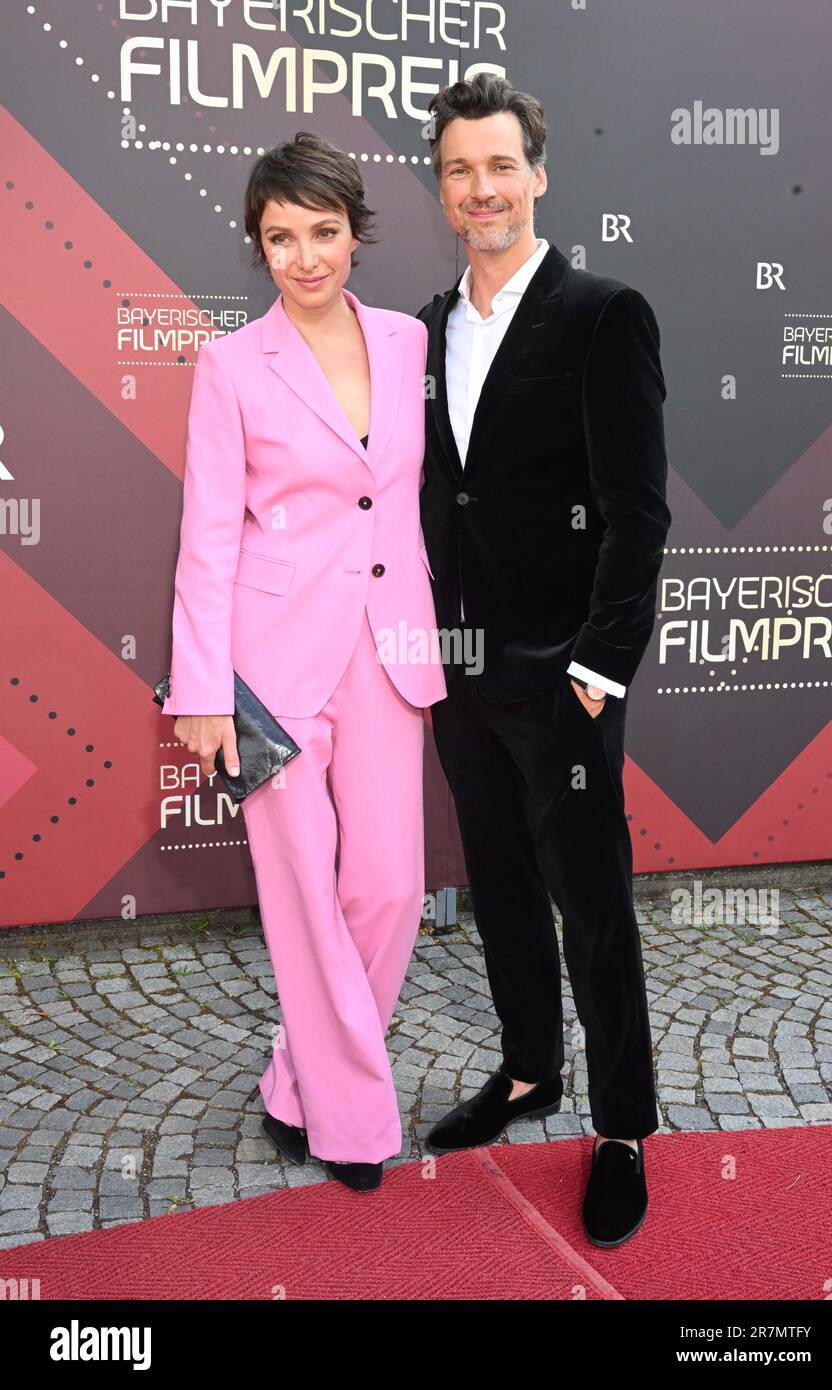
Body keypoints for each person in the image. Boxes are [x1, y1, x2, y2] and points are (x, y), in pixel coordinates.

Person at [161, 132, 447, 1192]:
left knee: (385, 888)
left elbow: (411, 496)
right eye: (281, 237)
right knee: (299, 897)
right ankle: (352, 1120)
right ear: (259, 245)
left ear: (355, 235)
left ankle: (294, 1080)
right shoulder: (233, 365)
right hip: (270, 668)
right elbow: (209, 536)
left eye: (323, 232)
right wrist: (200, 690)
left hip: (389, 650)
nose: (305, 256)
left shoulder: (409, 345)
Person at [416, 75, 672, 1246]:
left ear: (539, 174)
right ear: (443, 186)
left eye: (501, 165)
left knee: (591, 902)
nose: (484, 189)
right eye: (461, 169)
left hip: (564, 674)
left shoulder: (603, 310)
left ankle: (622, 1125)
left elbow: (637, 512)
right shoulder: (422, 329)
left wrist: (598, 667)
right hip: (460, 668)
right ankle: (529, 1070)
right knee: (501, 885)